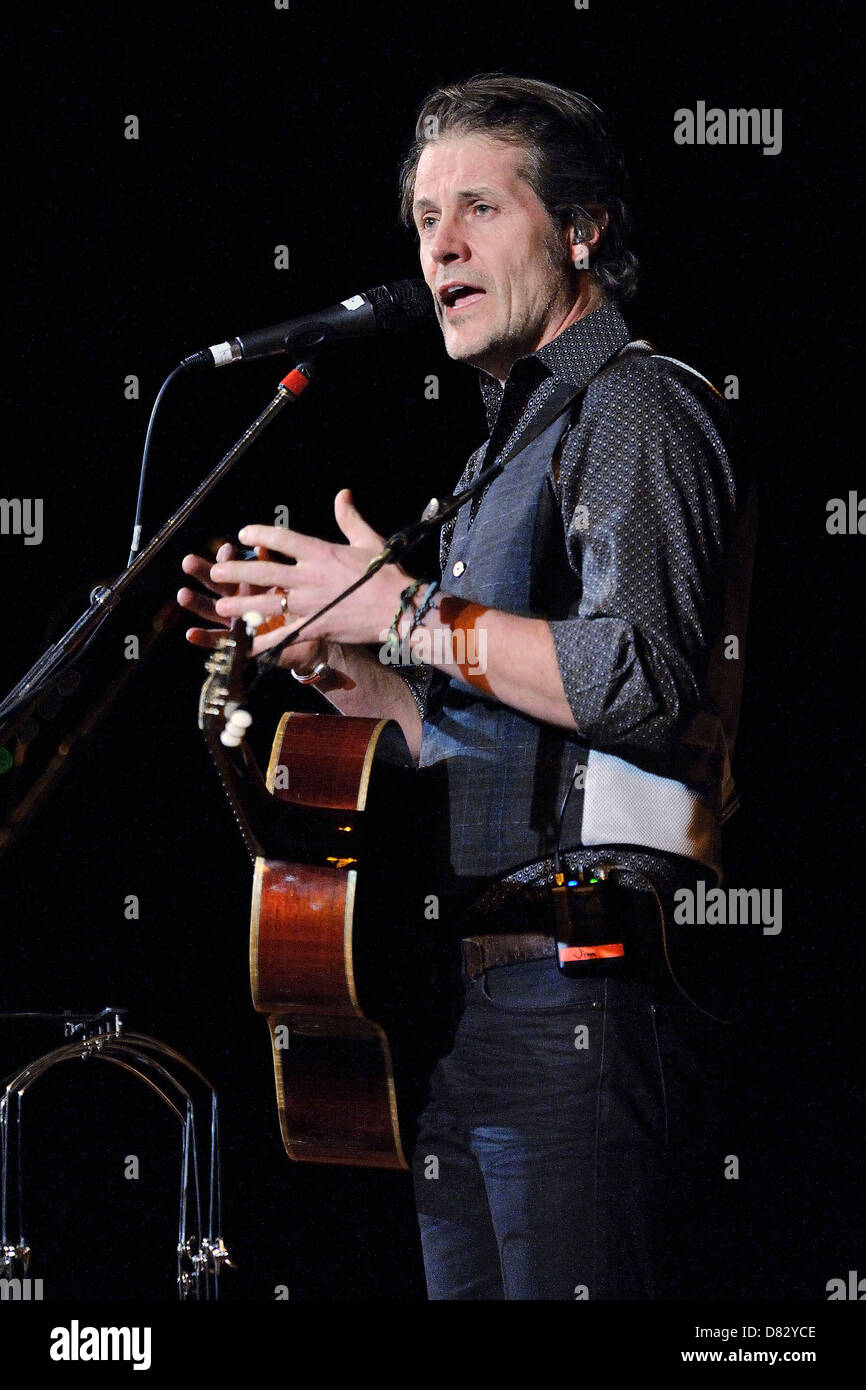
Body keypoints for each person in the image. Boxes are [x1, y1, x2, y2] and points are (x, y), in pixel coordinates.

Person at [178, 73, 754, 1300]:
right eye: (424, 217)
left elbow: (639, 677)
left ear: (582, 229)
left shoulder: (635, 407)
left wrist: (403, 611)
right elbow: (470, 740)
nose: (438, 243)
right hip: (485, 1009)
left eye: (478, 208)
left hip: (589, 997)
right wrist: (345, 660)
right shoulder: (503, 452)